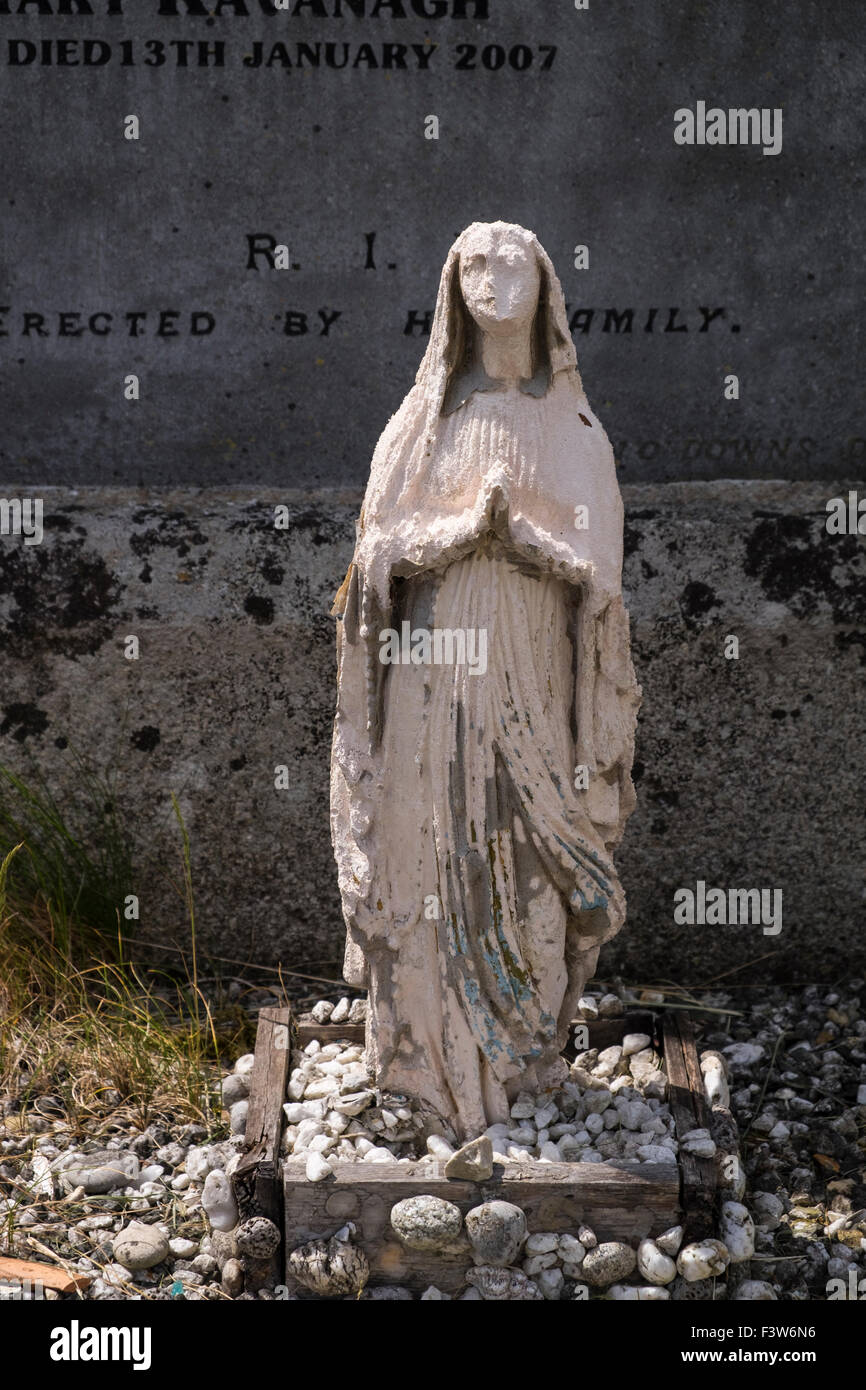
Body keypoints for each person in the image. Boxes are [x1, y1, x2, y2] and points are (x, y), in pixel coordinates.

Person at [330, 221, 640, 1139]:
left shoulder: (574, 427)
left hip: (534, 668)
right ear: (450, 288)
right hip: (432, 671)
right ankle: (425, 1063)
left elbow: (605, 580)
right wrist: (459, 534)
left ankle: (526, 1057)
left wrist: (536, 544)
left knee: (535, 854)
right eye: (475, 265)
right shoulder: (425, 421)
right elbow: (373, 563)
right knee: (426, 845)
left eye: (513, 264)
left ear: (546, 286)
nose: (493, 280)